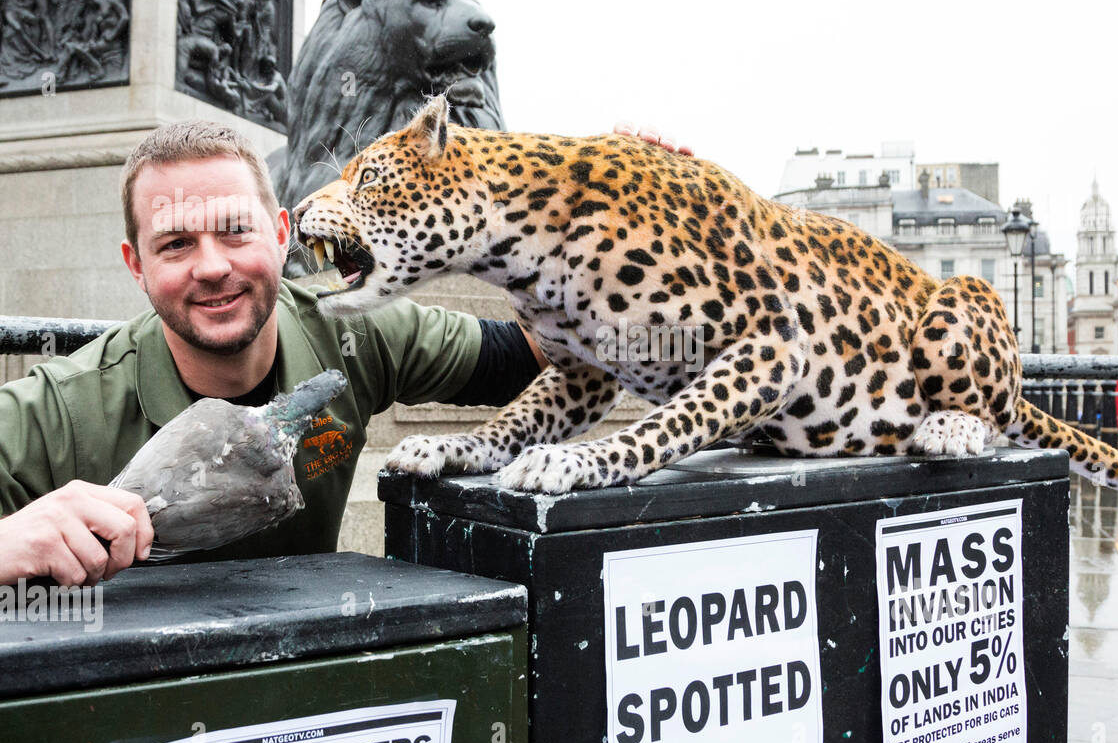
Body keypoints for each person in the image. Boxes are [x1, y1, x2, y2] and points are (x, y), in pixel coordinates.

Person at [0, 119, 689, 586]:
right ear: (135, 263)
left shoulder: (356, 333)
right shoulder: (61, 408)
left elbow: (534, 354)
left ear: (279, 234)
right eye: (176, 243)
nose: (211, 267)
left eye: (235, 233)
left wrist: (618, 222)